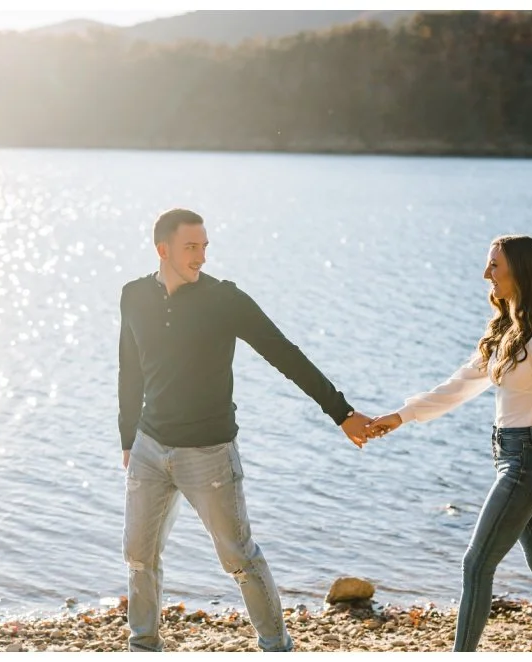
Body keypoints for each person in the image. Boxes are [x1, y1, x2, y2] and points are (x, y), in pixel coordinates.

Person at [117, 208, 374, 652]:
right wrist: (127, 438)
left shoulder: (225, 300)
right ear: (163, 249)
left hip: (209, 454)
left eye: (204, 247)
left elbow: (283, 353)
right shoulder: (134, 295)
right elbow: (129, 370)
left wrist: (341, 412)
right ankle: (143, 647)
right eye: (190, 247)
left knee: (239, 558)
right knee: (139, 556)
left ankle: (277, 647)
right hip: (149, 447)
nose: (201, 256)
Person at [365, 234, 532, 652]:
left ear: (520, 271)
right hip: (513, 456)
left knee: (476, 563)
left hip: (531, 460)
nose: (486, 273)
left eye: (494, 266)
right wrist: (402, 416)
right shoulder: (509, 329)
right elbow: (461, 384)